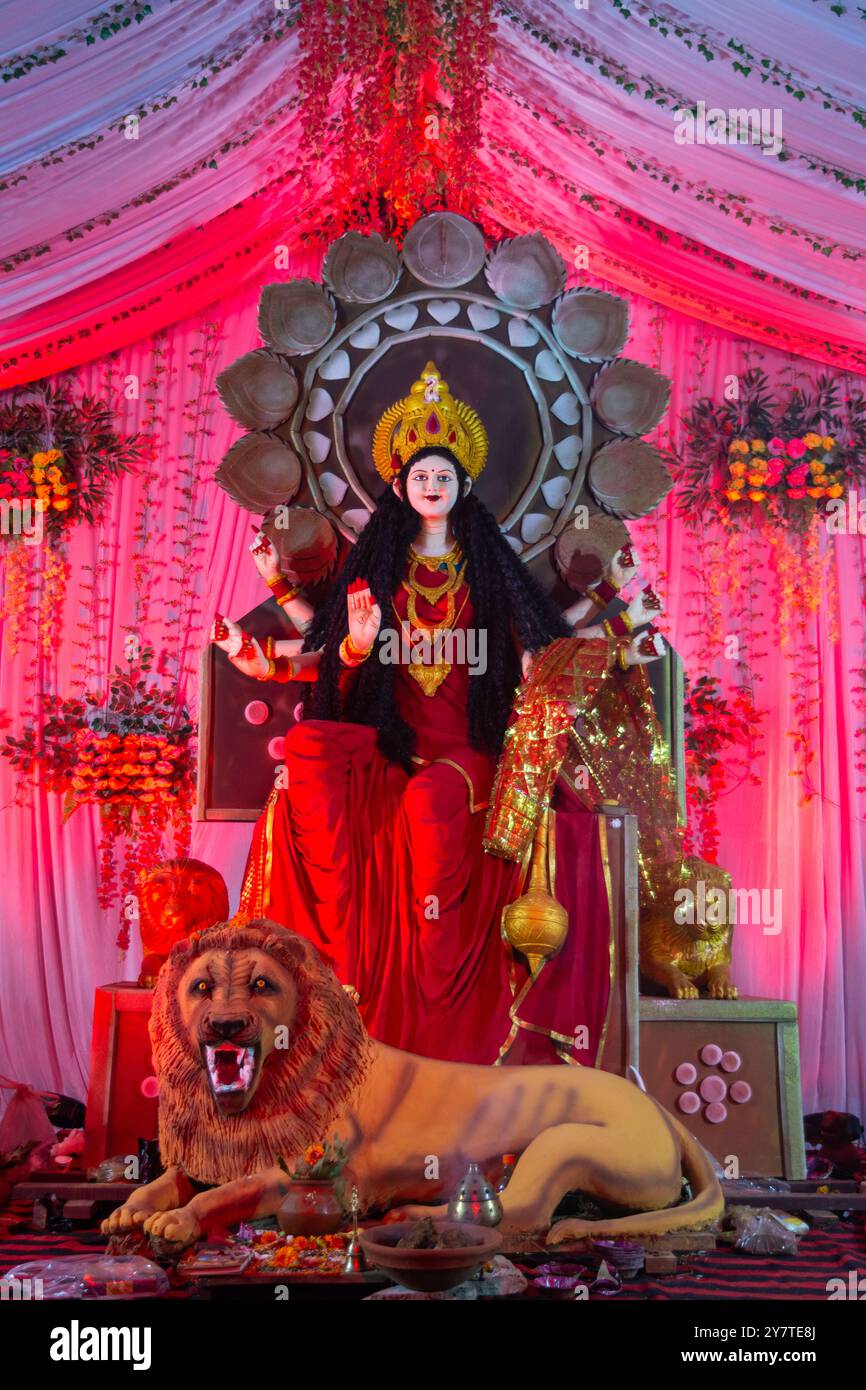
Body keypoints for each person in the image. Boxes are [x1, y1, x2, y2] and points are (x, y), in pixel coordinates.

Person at [211, 362, 663, 1062]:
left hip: (463, 754)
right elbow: (331, 664)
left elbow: (542, 654)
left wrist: (602, 635)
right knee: (307, 754)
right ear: (399, 487)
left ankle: (438, 995)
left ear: (464, 487)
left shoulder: (487, 573)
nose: (432, 486)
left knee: (426, 804)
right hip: (389, 739)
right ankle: (333, 961)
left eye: (445, 477)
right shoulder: (378, 573)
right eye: (421, 476)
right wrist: (356, 647)